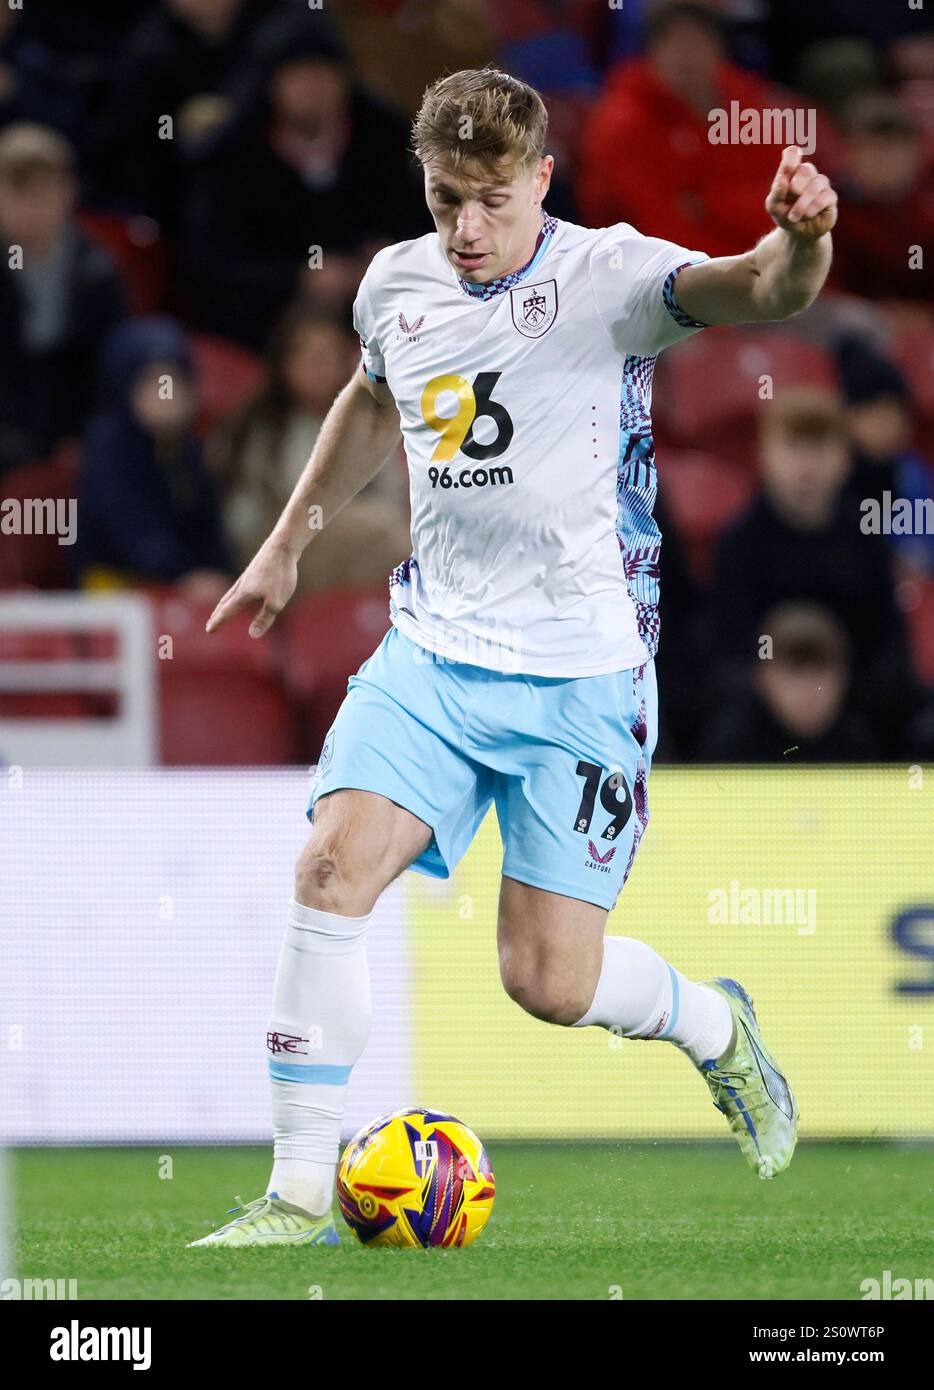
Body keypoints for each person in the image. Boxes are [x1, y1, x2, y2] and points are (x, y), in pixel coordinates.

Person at [189, 68, 839, 1248]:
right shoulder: (395, 283)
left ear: (544, 176)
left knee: (546, 980)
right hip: (432, 651)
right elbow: (371, 403)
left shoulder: (613, 277)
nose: (469, 229)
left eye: (492, 198)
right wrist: (287, 546)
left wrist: (801, 240)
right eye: (445, 201)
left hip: (581, 672)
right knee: (330, 870)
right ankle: (291, 1198)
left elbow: (759, 289)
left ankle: (712, 1026)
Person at [710, 388, 922, 757]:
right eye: (793, 447)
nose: (807, 466)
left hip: (857, 709)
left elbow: (887, 644)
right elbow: (727, 647)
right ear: (765, 455)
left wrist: (833, 690)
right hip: (758, 715)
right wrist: (777, 686)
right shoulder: (739, 545)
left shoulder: (865, 542)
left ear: (844, 458)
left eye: (820, 448)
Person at [211, 303, 411, 591]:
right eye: (307, 357)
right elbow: (241, 516)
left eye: (327, 356)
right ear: (283, 364)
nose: (319, 367)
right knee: (389, 534)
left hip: (356, 545)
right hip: (280, 554)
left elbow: (390, 494)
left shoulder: (366, 419)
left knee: (394, 533)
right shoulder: (261, 428)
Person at [0, 122, 127, 476]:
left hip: (73, 412)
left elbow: (108, 361)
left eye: (46, 192)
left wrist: (84, 433)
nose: (34, 207)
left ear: (68, 192)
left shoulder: (96, 267)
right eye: (19, 192)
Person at [76, 315, 231, 600]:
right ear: (124, 388)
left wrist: (222, 574)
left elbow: (210, 531)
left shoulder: (190, 450)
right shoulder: (107, 451)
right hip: (118, 591)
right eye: (153, 383)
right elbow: (131, 535)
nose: (168, 395)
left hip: (188, 589)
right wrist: (184, 575)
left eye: (176, 380)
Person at [700, 601, 878, 762]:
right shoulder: (730, 748)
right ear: (763, 678)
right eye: (795, 674)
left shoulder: (858, 744)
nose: (808, 691)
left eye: (819, 673)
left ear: (843, 678)